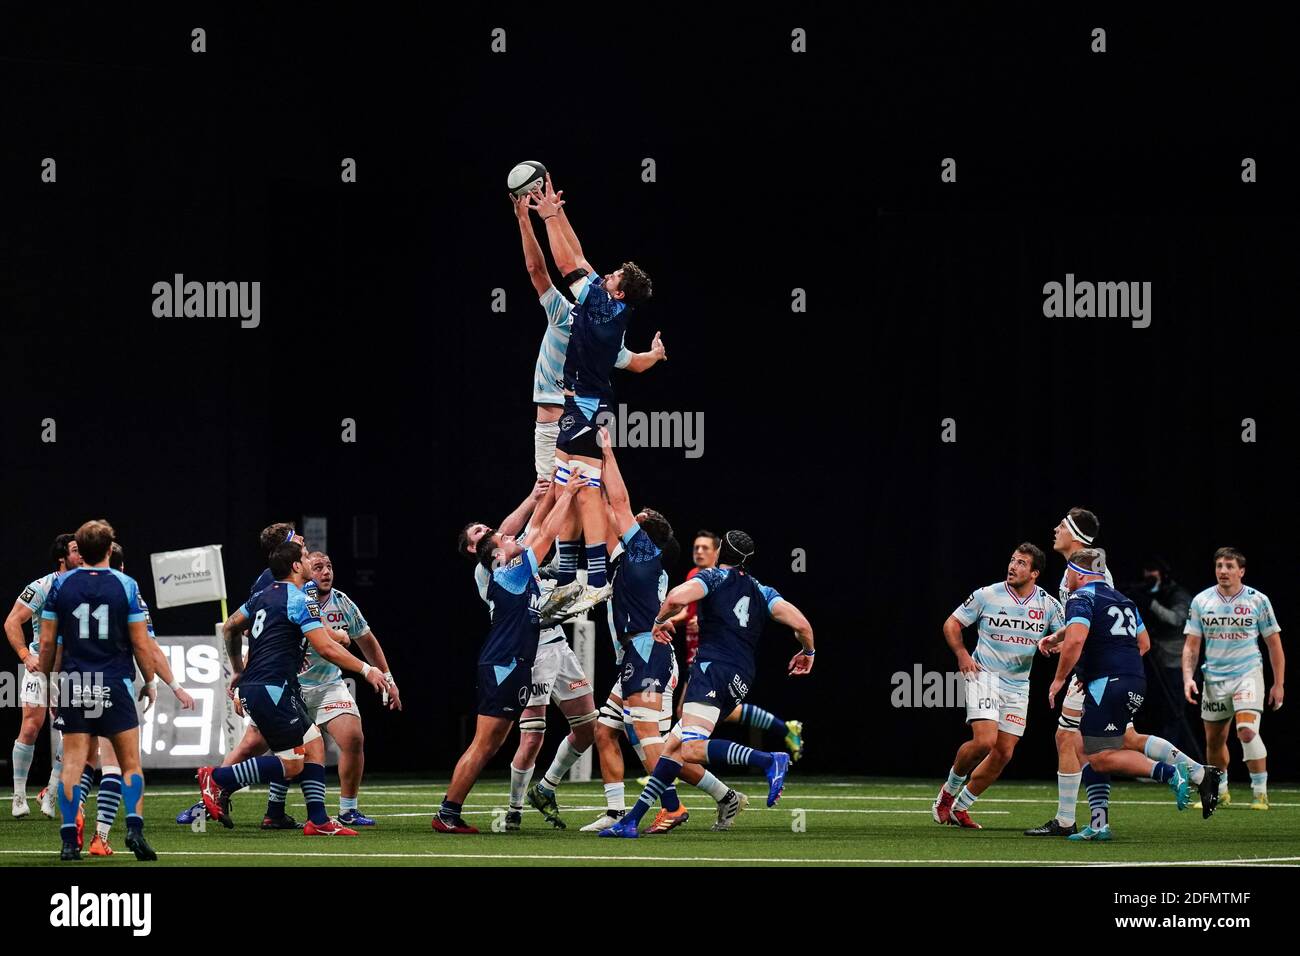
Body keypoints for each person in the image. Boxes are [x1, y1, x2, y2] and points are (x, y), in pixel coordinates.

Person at [602, 531, 814, 838]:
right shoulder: (761, 590)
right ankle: (631, 821)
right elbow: (802, 625)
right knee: (671, 750)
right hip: (741, 677)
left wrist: (659, 621)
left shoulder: (712, 577)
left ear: (719, 555)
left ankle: (769, 760)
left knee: (689, 749)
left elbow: (675, 598)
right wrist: (808, 653)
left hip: (712, 668)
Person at [197, 540, 389, 836]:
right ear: (297, 566)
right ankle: (219, 778)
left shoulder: (260, 596)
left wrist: (237, 669)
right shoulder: (300, 599)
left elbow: (231, 626)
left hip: (264, 686)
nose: (311, 562)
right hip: (273, 689)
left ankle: (318, 821)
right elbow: (325, 647)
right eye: (304, 557)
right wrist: (367, 669)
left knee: (314, 745)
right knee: (292, 764)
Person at [433, 473, 587, 834]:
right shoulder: (511, 571)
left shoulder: (511, 567)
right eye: (504, 539)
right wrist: (569, 492)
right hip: (503, 664)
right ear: (498, 553)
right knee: (484, 745)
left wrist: (544, 495)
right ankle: (446, 814)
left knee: (492, 743)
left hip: (514, 662)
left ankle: (450, 812)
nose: (510, 536)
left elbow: (534, 529)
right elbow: (545, 532)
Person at [38, 520, 158, 861]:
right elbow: (140, 642)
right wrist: (149, 681)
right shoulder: (126, 585)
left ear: (80, 550)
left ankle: (67, 841)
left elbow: (48, 643)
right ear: (109, 548)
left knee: (73, 764)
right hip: (115, 680)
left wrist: (49, 682)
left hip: (76, 682)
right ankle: (134, 830)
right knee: (129, 764)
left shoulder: (60, 586)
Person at [932, 544, 1064, 829]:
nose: (1013, 566)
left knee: (1004, 752)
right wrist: (963, 655)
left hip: (1018, 685)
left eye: (1021, 563)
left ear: (1035, 573)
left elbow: (1066, 636)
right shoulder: (987, 594)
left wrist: (1055, 644)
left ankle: (961, 808)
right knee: (984, 741)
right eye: (1012, 560)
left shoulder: (1048, 605)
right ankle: (947, 793)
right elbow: (952, 624)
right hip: (984, 676)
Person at [1183, 547, 1284, 811]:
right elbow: (1191, 646)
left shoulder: (1257, 600)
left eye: (1229, 566)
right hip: (1214, 679)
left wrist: (1278, 683)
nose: (1223, 571)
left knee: (1246, 730)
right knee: (1214, 741)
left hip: (1247, 674)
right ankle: (1221, 791)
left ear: (1241, 571)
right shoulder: (1201, 601)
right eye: (1219, 566)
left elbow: (1274, 645)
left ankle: (1260, 792)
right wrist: (1187, 678)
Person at [6, 533, 82, 819]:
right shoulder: (42, 586)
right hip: (42, 669)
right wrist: (26, 655)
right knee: (30, 726)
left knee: (73, 732)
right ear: (63, 558)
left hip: (74, 669)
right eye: (76, 550)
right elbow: (13, 620)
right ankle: (18, 796)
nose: (82, 555)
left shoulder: (89, 586)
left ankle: (50, 793)